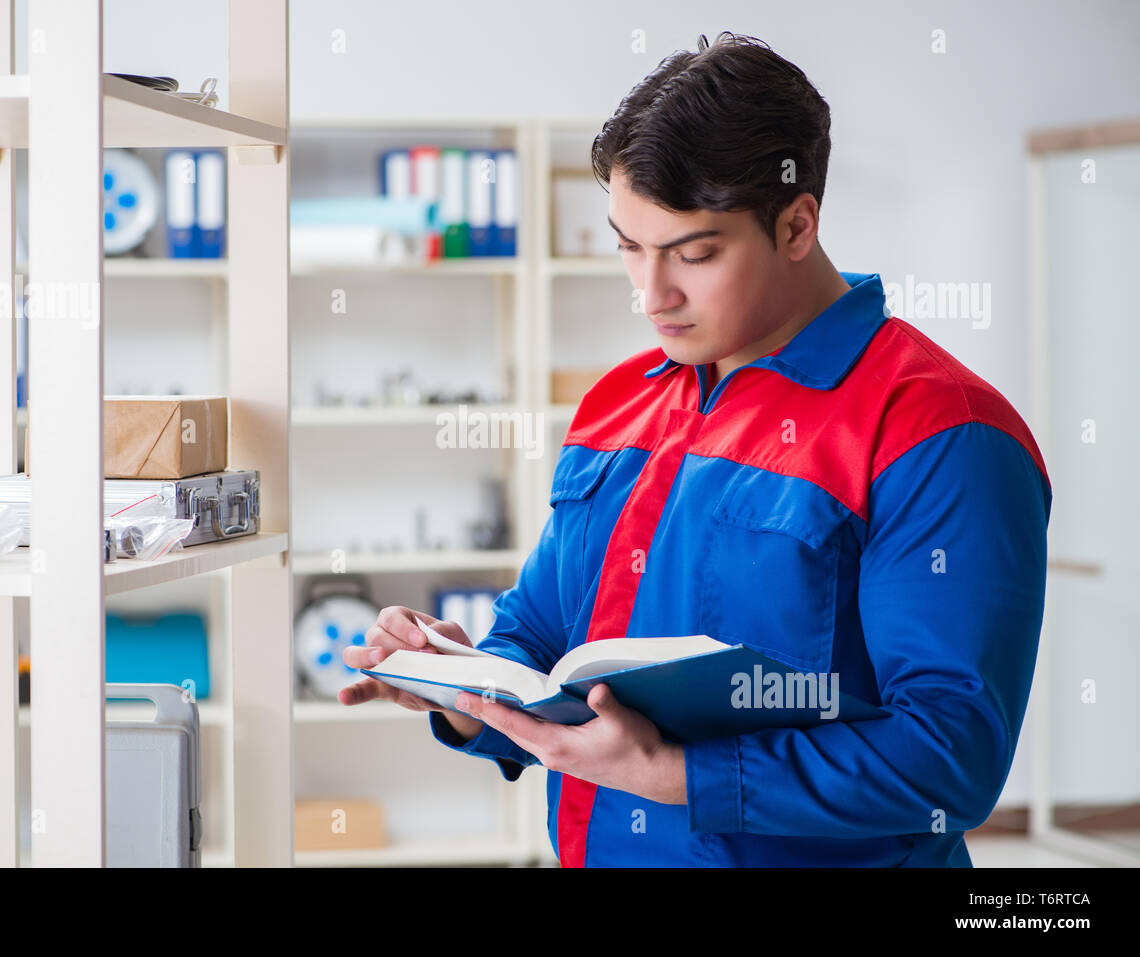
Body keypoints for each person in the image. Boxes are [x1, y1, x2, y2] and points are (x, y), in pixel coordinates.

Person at [340, 31, 1051, 867]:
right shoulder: (618, 403)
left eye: (693, 253)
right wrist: (461, 687)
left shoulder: (939, 429)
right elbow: (536, 635)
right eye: (630, 247)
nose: (651, 294)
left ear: (797, 222)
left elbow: (949, 757)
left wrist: (676, 772)